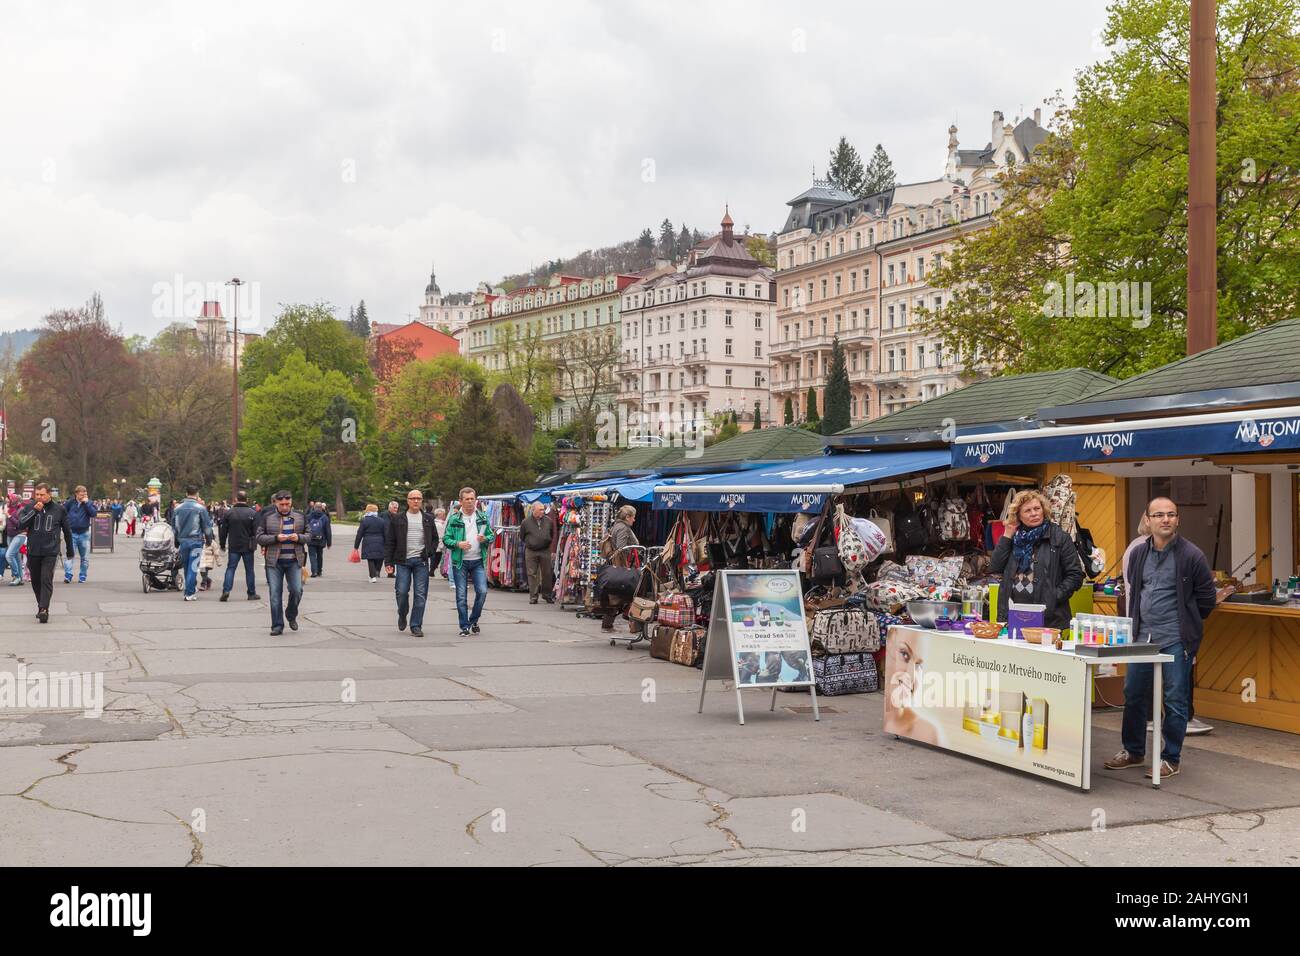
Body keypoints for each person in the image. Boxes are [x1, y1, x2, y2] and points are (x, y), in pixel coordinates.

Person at [1104, 497, 1232, 780]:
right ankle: (1133, 751)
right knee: (1134, 693)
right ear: (1147, 520)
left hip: (1176, 638)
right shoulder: (1138, 554)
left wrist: (1186, 624)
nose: (1165, 519)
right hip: (1142, 637)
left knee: (1175, 699)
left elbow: (1206, 600)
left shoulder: (1192, 555)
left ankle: (1170, 758)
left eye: (1171, 514)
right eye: (1159, 515)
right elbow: (1135, 592)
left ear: (1177, 520)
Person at [989, 488, 1083, 631]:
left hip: (1049, 617)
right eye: (1027, 510)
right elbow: (995, 567)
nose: (1034, 513)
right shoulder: (1013, 537)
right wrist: (1007, 535)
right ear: (1018, 515)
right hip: (1013, 614)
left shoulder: (1059, 537)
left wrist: (1053, 597)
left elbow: (1075, 575)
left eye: (1037, 508)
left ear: (1043, 510)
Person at [384, 489, 438, 637]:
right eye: (413, 498)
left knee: (420, 594)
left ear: (422, 501)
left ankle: (416, 625)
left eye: (418, 498)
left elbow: (434, 539)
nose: (415, 501)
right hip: (403, 561)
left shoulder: (428, 519)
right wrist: (388, 562)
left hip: (421, 562)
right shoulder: (398, 519)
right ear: (407, 501)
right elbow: (390, 541)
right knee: (401, 592)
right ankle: (402, 613)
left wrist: (429, 552)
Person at [256, 490, 311, 636]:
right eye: (282, 504)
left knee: (297, 590)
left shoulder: (300, 516)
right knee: (275, 594)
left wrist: (298, 537)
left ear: (291, 502)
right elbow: (259, 537)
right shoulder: (267, 517)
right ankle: (277, 625)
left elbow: (309, 535)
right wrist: (275, 538)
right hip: (274, 562)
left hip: (294, 561)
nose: (285, 507)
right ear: (275, 503)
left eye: (288, 504)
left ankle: (291, 614)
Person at [18, 483, 73, 623]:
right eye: (37, 494)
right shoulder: (29, 507)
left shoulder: (59, 509)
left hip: (50, 551)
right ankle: (41, 605)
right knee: (36, 581)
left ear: (49, 494)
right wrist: (34, 511)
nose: (39, 497)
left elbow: (67, 531)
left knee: (46, 579)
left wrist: (70, 550)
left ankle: (44, 609)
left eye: (42, 494)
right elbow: (21, 524)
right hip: (33, 550)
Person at [443, 487, 493, 637]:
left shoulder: (482, 517)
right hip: (460, 562)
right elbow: (446, 539)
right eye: (467, 499)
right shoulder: (454, 518)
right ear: (461, 501)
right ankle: (464, 626)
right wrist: (458, 544)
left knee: (482, 592)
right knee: (461, 596)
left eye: (472, 499)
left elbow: (491, 535)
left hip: (478, 560)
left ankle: (473, 620)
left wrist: (485, 539)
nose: (470, 501)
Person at [596, 505, 639, 631]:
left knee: (617, 595)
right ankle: (629, 623)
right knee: (622, 594)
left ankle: (610, 623)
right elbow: (621, 548)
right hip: (620, 565)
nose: (634, 520)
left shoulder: (617, 526)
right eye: (633, 517)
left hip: (617, 565)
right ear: (627, 517)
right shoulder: (623, 528)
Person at [170, 485, 214, 601]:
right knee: (193, 567)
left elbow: (173, 527)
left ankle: (190, 589)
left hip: (183, 541)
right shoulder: (200, 508)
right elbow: (207, 527)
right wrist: (209, 540)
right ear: (197, 494)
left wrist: (176, 542)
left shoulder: (177, 508)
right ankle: (189, 593)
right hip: (196, 541)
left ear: (186, 493)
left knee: (186, 567)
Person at [219, 491, 260, 601]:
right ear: (247, 499)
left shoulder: (229, 513)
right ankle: (251, 593)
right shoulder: (252, 513)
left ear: (236, 499)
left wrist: (222, 544)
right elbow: (256, 531)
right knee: (249, 570)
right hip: (248, 545)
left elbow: (223, 531)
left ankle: (226, 590)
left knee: (231, 568)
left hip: (234, 544)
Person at [520, 502, 555, 605]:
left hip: (545, 550)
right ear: (533, 510)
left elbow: (552, 534)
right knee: (532, 574)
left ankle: (547, 595)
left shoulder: (549, 521)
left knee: (547, 573)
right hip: (531, 551)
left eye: (543, 509)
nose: (543, 511)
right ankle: (533, 596)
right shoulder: (525, 522)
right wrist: (530, 543)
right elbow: (522, 536)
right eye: (540, 510)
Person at [62, 485, 97, 584]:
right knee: (70, 555)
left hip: (84, 533)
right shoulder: (70, 503)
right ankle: (68, 574)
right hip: (71, 533)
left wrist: (87, 503)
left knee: (84, 557)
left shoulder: (89, 503)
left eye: (85, 494)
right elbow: (62, 512)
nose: (83, 496)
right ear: (76, 494)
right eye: (81, 494)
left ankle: (82, 575)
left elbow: (94, 514)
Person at [354, 504, 388, 581]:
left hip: (368, 541)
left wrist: (356, 546)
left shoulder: (364, 520)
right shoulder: (382, 521)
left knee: (370, 559)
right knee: (379, 557)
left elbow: (359, 533)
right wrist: (387, 544)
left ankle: (372, 576)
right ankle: (375, 572)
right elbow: (386, 533)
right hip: (380, 541)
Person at [306, 501, 332, 577]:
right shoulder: (325, 517)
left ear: (314, 507)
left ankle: (314, 571)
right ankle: (319, 571)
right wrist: (329, 543)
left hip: (311, 539)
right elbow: (328, 531)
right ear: (322, 508)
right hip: (321, 539)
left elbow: (305, 528)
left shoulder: (309, 516)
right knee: (320, 555)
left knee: (312, 555)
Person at [4, 495, 26, 586]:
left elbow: (20, 524)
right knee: (16, 557)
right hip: (10, 536)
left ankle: (16, 576)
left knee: (9, 555)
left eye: (8, 501)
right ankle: (20, 578)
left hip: (19, 535)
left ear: (13, 501)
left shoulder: (21, 510)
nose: (7, 502)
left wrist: (9, 516)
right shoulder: (8, 509)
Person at [432, 507, 449, 590]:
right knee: (436, 557)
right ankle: (431, 570)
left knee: (437, 557)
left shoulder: (442, 523)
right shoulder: (438, 523)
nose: (444, 515)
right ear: (439, 515)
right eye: (443, 514)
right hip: (438, 542)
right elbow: (440, 534)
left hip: (440, 543)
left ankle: (432, 570)